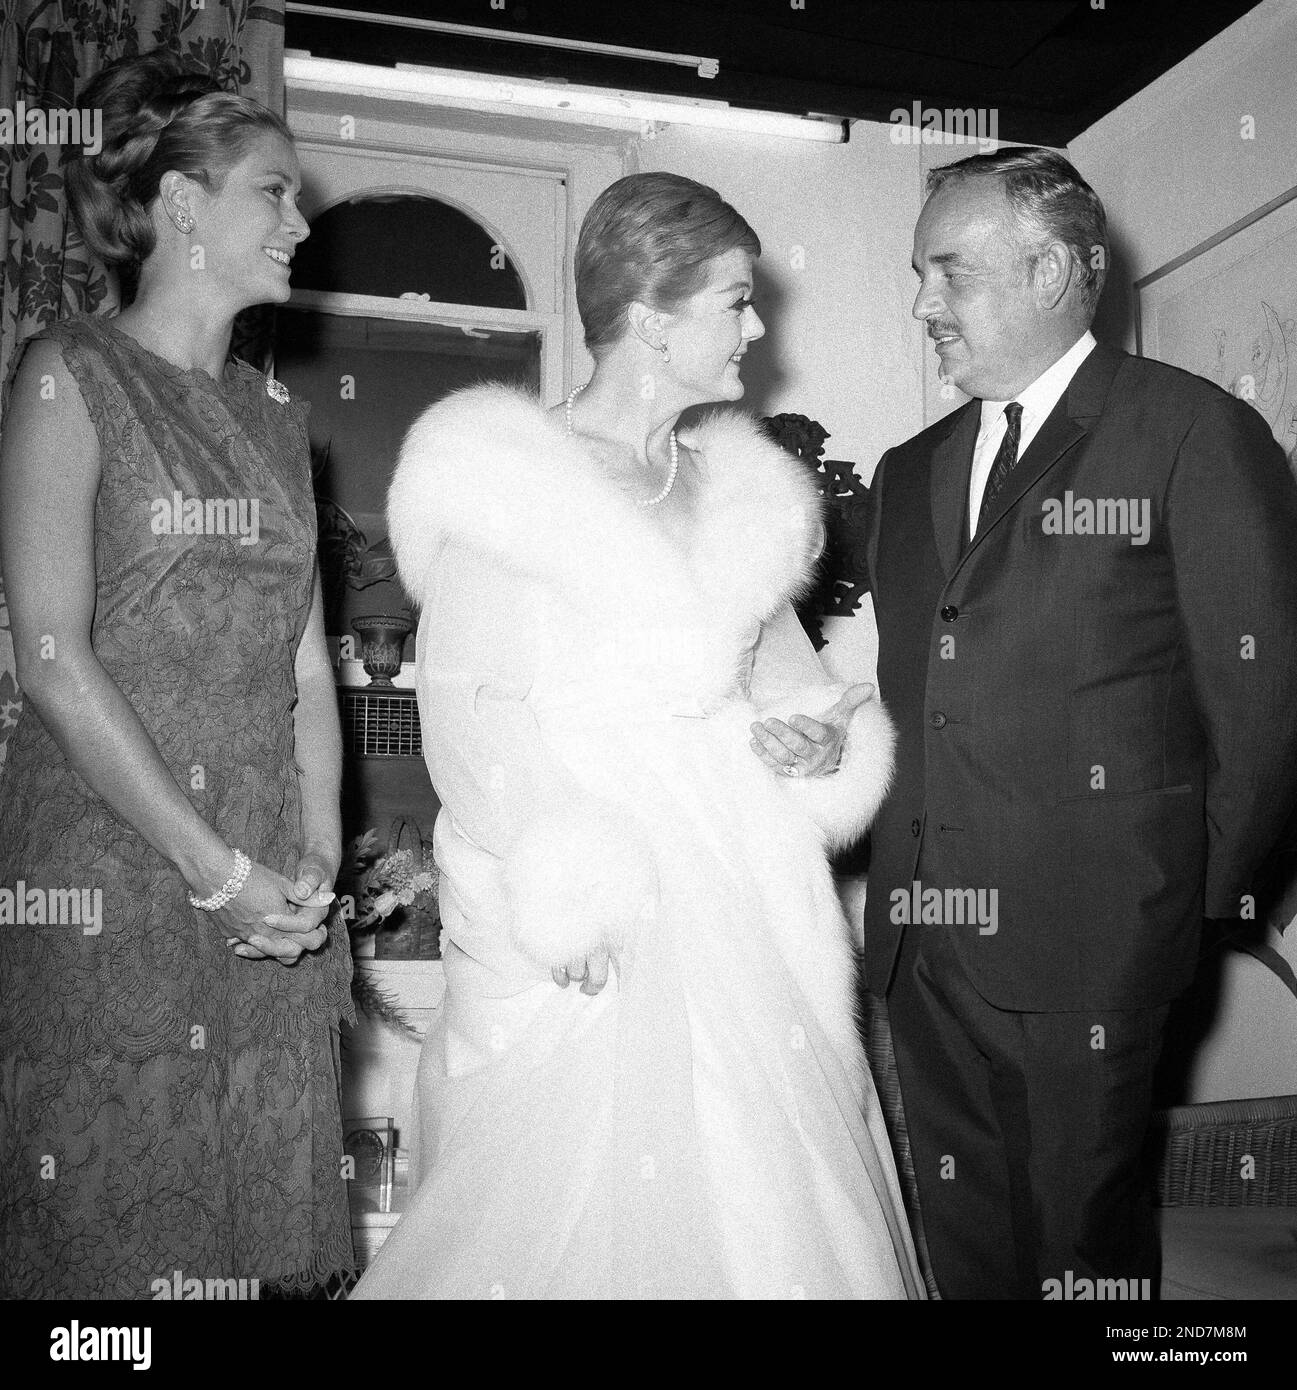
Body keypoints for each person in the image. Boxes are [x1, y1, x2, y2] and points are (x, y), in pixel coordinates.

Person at [351, 172, 923, 1299]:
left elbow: (795, 687)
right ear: (653, 318)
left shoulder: (741, 486)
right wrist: (565, 882)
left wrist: (815, 743)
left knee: (768, 1187)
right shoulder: (507, 477)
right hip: (587, 877)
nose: (755, 328)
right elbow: (466, 719)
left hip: (740, 882)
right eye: (733, 300)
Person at [856, 146, 1297, 1299]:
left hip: (1097, 942)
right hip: (922, 944)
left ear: (1052, 269)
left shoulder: (1192, 435)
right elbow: (918, 692)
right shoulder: (905, 476)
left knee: (1081, 1261)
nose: (922, 305)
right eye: (917, 274)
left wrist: (1183, 912)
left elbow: (1263, 697)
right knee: (967, 1252)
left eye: (947, 271)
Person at [0, 50, 354, 1297]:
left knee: (245, 1241)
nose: (301, 223)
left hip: (264, 873)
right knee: (111, 1246)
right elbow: (50, 659)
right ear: (183, 207)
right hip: (117, 865)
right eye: (275, 191)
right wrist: (217, 875)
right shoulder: (68, 372)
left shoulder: (274, 421)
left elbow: (308, 670)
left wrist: (310, 855)